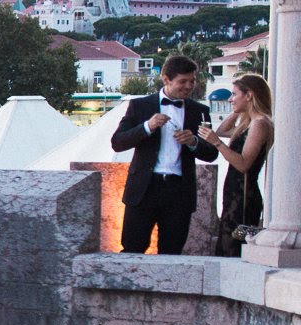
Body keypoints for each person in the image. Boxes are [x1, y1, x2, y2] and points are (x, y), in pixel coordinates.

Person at [110, 54, 220, 254]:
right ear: (166, 79)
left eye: (192, 81)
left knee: (172, 250)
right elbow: (117, 143)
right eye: (183, 81)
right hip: (144, 188)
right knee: (132, 247)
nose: (188, 86)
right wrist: (147, 127)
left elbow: (212, 153)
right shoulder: (140, 106)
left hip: (179, 191)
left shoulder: (199, 111)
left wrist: (194, 142)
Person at [199, 71, 274, 257]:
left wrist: (217, 142)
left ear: (249, 95)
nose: (231, 99)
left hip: (244, 196)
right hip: (234, 192)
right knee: (227, 244)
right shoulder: (249, 122)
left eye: (234, 94)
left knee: (233, 248)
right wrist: (236, 110)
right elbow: (222, 129)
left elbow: (243, 164)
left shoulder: (260, 123)